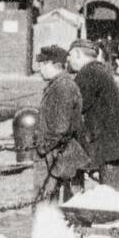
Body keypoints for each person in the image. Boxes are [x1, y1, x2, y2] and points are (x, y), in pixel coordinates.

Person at [67, 37, 119, 192]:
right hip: (113, 146)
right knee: (114, 194)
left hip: (108, 148)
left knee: (114, 198)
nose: (68, 59)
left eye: (70, 55)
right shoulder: (99, 70)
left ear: (79, 54)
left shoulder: (87, 73)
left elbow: (76, 108)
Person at [32, 45, 91, 202]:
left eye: (42, 64)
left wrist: (43, 148)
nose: (39, 69)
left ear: (52, 64)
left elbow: (60, 127)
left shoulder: (63, 87)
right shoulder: (58, 84)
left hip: (57, 156)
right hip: (58, 154)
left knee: (48, 203)